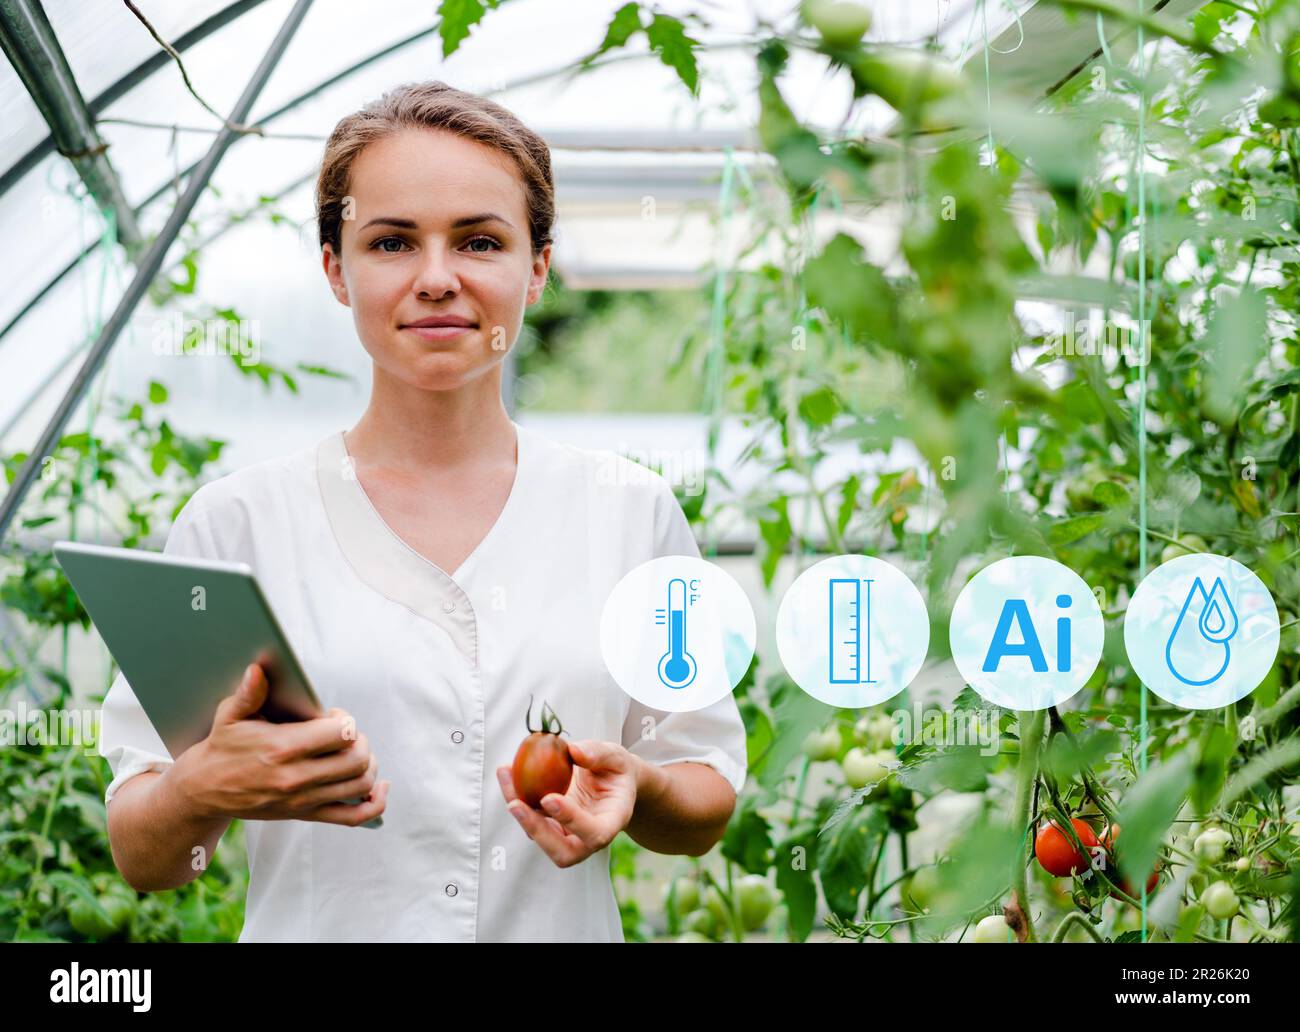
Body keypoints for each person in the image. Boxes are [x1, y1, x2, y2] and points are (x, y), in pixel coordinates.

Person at [98, 80, 747, 943]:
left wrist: (641, 788)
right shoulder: (235, 525)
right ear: (337, 268)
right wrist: (199, 787)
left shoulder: (633, 512)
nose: (437, 279)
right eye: (393, 242)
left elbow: (701, 798)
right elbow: (146, 857)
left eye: (479, 241)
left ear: (538, 267)